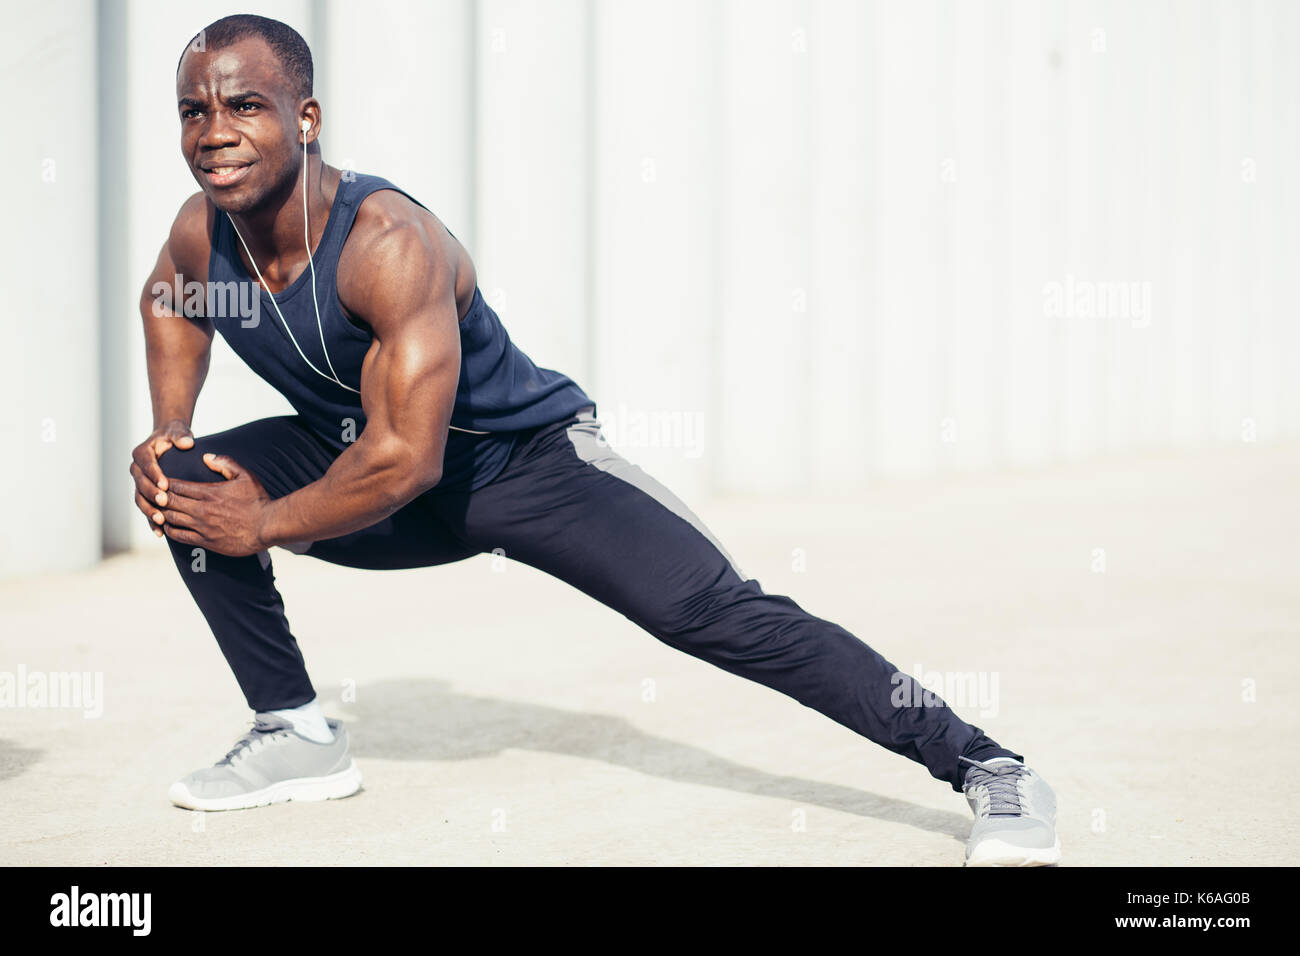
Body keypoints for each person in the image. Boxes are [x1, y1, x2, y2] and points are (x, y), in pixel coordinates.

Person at [131, 13, 1059, 866]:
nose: (213, 131)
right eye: (193, 111)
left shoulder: (385, 240)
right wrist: (174, 426)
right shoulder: (201, 235)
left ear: (306, 117)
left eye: (244, 104)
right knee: (184, 479)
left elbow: (408, 457)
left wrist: (264, 523)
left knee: (720, 616)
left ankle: (987, 765)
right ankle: (294, 732)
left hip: (524, 468)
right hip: (363, 466)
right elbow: (169, 304)